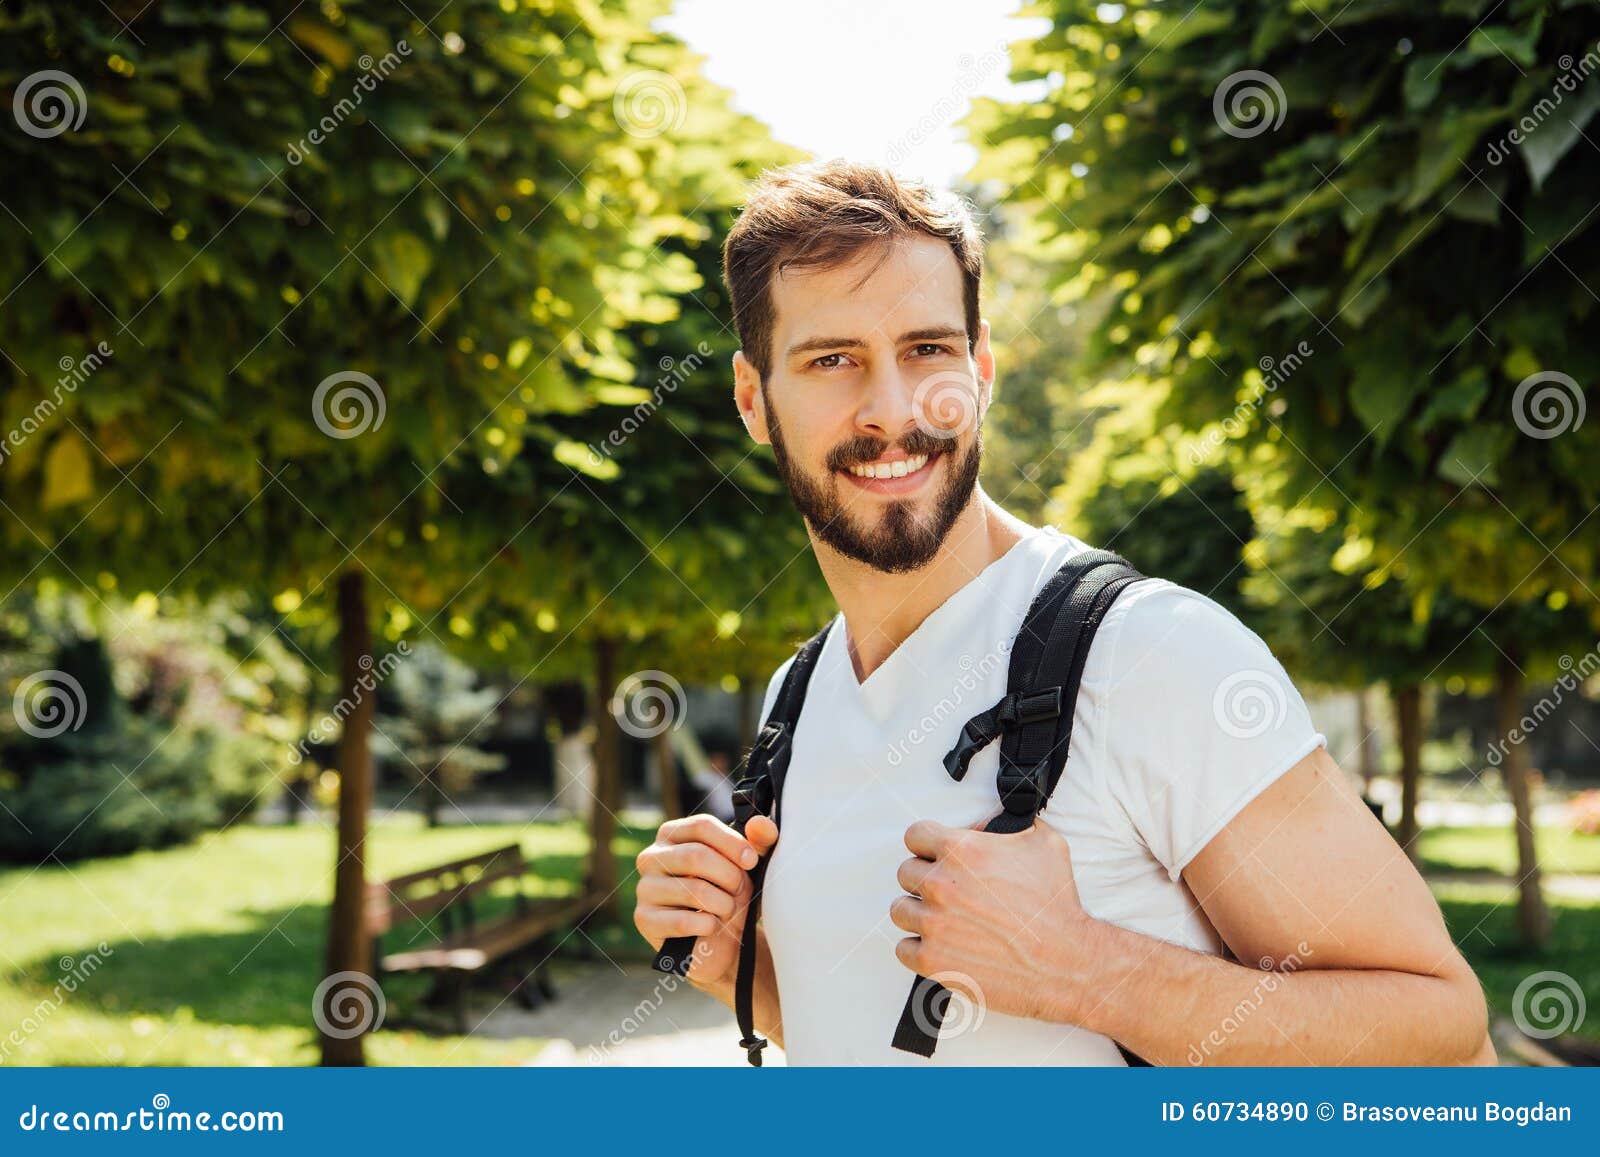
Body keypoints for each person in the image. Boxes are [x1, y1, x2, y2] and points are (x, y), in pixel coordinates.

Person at [633, 160, 1494, 1066]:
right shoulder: (794, 699)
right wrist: (744, 966)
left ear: (983, 366)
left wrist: (1088, 970)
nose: (893, 411)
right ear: (750, 397)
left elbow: (1440, 1028)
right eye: (832, 360)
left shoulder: (1150, 653)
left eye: (927, 350)